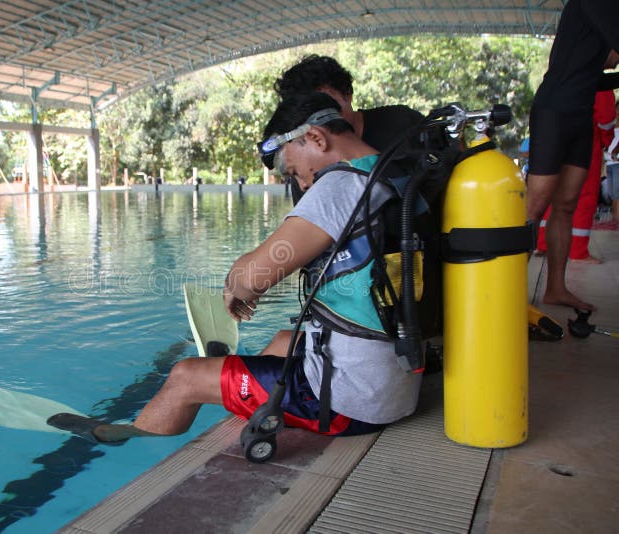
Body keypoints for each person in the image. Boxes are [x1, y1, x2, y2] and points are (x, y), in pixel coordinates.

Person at [48, 93, 422, 443]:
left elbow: (250, 277)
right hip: (394, 381)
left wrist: (236, 289)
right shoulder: (392, 175)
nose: (302, 183)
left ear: (316, 139)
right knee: (280, 341)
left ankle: (133, 435)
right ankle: (234, 381)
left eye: (293, 170)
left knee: (184, 377)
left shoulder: (338, 187)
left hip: (348, 402)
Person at [525, 0, 619, 311]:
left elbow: (597, 73)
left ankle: (555, 288)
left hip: (581, 113)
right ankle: (506, 286)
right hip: (553, 110)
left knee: (565, 205)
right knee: (536, 204)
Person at [273, 55, 425, 202]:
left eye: (326, 102)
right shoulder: (304, 171)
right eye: (308, 108)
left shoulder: (403, 122)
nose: (318, 112)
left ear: (347, 94)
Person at [536, 90, 616, 263]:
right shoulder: (597, 82)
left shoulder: (561, 74)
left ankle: (542, 244)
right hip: (587, 141)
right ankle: (578, 251)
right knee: (584, 196)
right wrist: (608, 141)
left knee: (553, 194)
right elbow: (606, 119)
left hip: (554, 139)